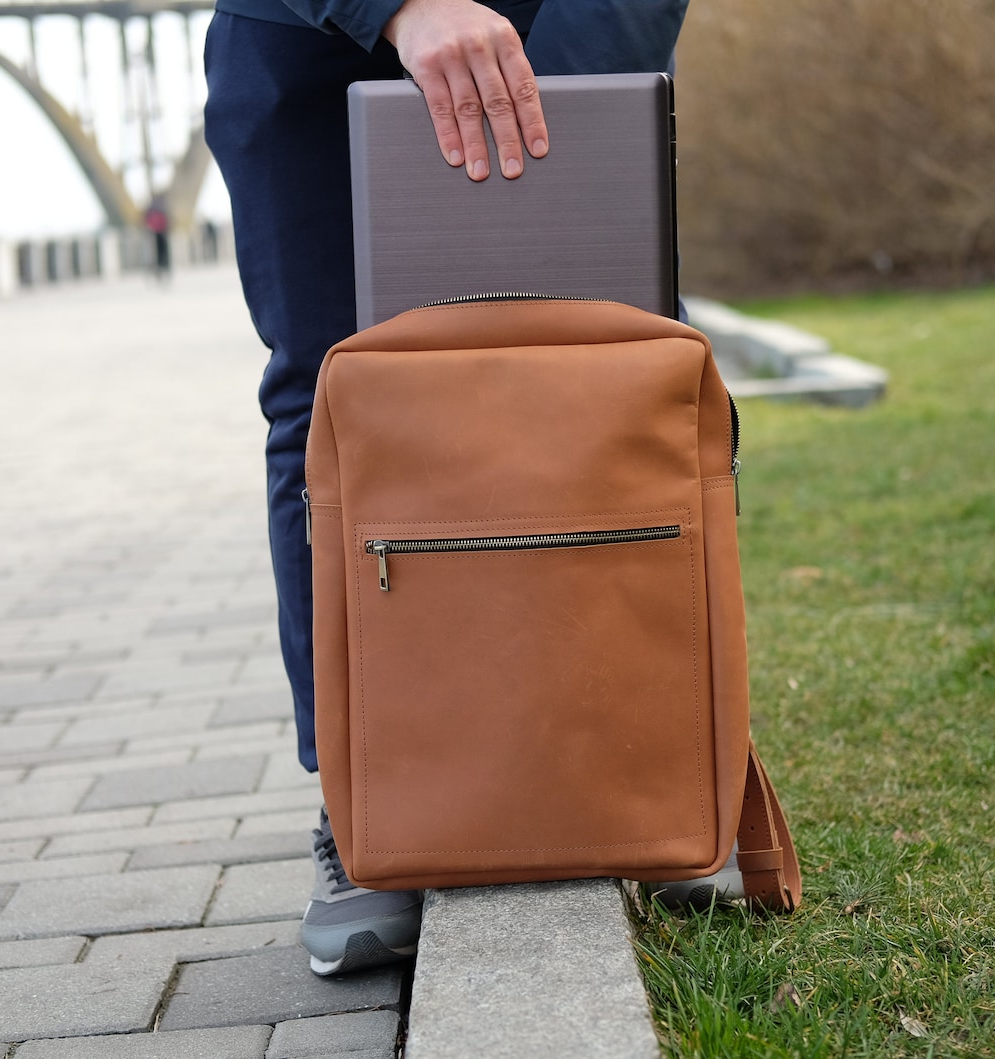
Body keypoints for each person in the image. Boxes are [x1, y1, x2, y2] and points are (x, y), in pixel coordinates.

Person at [204, 0, 690, 976]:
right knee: (332, 388)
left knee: (619, 372)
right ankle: (364, 802)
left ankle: (667, 755)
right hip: (306, 39)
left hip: (569, 19)